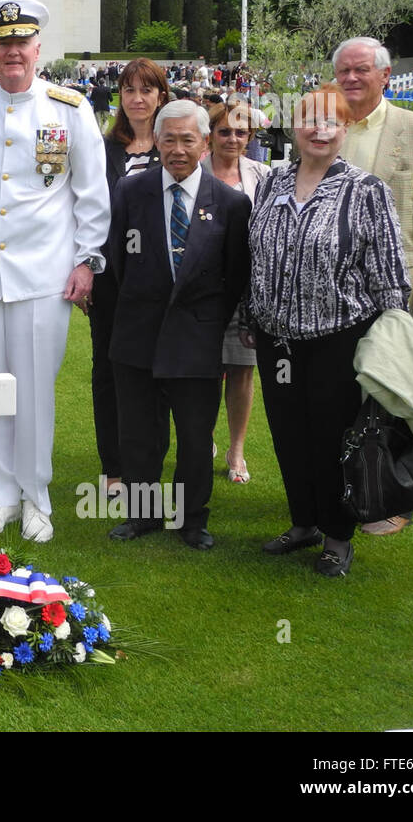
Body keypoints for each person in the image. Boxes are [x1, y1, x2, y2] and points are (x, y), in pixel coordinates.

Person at [0, 0, 109, 542]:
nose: (13, 52)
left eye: (23, 43)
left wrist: (86, 261)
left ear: (39, 49)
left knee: (34, 390)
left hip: (45, 276)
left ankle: (36, 497)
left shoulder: (69, 108)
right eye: (3, 43)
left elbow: (90, 195)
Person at [245, 87, 410, 577]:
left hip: (338, 338)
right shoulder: (272, 182)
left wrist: (390, 337)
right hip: (276, 339)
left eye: (331, 122)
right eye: (309, 120)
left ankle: (338, 535)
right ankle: (302, 523)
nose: (319, 130)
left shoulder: (365, 190)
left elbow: (389, 271)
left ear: (345, 129)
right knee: (288, 434)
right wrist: (250, 316)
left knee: (333, 438)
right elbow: (254, 254)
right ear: (293, 126)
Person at [107, 101, 251, 550]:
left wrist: (205, 321)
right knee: (140, 434)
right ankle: (143, 514)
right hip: (137, 335)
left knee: (194, 435)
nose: (177, 149)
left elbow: (236, 276)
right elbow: (113, 264)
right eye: (168, 139)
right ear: (157, 140)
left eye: (188, 139)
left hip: (197, 338)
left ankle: (192, 519)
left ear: (204, 143)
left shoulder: (231, 203)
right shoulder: (132, 192)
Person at [334, 36, 413, 537]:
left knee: (385, 387)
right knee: (334, 392)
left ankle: (385, 491)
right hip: (327, 284)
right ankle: (335, 489)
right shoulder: (322, 123)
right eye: (344, 71)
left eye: (362, 70)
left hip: (389, 281)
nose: (352, 78)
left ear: (386, 74)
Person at [88, 58, 170, 498]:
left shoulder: (174, 145)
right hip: (110, 280)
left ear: (161, 95)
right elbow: (82, 210)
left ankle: (151, 463)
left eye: (147, 90)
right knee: (109, 369)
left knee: (156, 372)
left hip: (161, 281)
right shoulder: (104, 149)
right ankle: (115, 465)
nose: (137, 99)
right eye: (129, 90)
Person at [200, 101, 269, 484]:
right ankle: (203, 437)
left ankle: (236, 450)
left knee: (242, 371)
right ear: (211, 134)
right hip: (203, 289)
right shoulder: (193, 172)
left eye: (241, 132)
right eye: (224, 131)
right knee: (205, 370)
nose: (232, 138)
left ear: (251, 137)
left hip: (247, 290)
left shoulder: (263, 176)